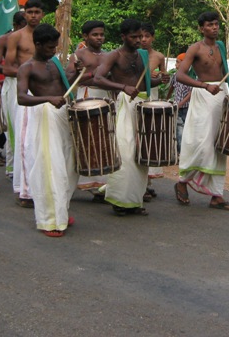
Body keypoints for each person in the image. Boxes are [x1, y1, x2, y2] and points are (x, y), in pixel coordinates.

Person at [174, 12, 229, 211]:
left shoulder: (220, 46)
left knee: (218, 145)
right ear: (201, 28)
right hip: (202, 97)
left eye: (216, 24)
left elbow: (223, 75)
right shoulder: (195, 48)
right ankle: (182, 181)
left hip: (219, 96)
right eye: (210, 25)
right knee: (202, 144)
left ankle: (216, 196)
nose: (214, 27)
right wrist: (204, 86)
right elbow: (180, 75)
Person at [17, 24, 80, 237]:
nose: (53, 51)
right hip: (44, 116)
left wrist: (75, 75)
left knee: (67, 167)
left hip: (62, 115)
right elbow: (21, 97)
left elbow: (62, 88)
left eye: (55, 47)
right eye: (49, 47)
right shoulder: (27, 67)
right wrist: (48, 99)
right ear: (37, 44)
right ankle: (50, 220)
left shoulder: (54, 63)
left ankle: (60, 212)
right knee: (49, 169)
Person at [92, 19, 150, 216]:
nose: (138, 40)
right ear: (123, 37)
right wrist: (122, 88)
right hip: (123, 106)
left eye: (140, 36)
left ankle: (134, 201)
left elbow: (144, 82)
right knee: (125, 154)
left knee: (140, 155)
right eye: (134, 37)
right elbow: (98, 78)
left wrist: (159, 80)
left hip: (142, 106)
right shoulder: (113, 55)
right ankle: (119, 200)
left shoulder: (143, 55)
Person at [3, 0, 45, 207]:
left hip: (46, 91)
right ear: (25, 14)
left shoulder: (48, 34)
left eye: (37, 12)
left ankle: (41, 186)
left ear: (43, 14)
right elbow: (7, 67)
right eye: (30, 12)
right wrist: (28, 74)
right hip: (25, 91)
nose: (34, 15)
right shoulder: (16, 37)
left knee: (43, 139)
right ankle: (24, 189)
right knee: (24, 139)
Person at [68, 20, 111, 200]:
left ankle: (103, 185)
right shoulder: (77, 56)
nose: (99, 38)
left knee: (104, 140)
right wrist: (83, 74)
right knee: (87, 140)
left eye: (101, 34)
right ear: (85, 36)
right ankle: (84, 182)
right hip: (86, 97)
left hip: (106, 98)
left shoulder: (109, 56)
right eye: (95, 34)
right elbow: (68, 79)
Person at [0, 11, 27, 178]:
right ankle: (14, 167)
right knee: (14, 126)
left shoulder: (37, 37)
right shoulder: (4, 40)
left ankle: (27, 166)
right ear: (17, 25)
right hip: (12, 85)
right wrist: (21, 71)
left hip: (32, 84)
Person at [140, 22, 171, 199]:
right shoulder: (135, 55)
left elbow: (164, 76)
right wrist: (146, 76)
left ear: (152, 38)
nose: (144, 40)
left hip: (153, 94)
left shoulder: (159, 56)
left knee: (151, 135)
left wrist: (161, 76)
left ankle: (147, 182)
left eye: (147, 36)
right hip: (138, 93)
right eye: (141, 36)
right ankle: (140, 184)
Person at [166, 51, 191, 155]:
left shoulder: (190, 76)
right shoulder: (175, 75)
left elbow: (191, 93)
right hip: (177, 106)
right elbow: (171, 88)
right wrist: (166, 100)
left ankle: (183, 152)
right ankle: (180, 152)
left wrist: (181, 103)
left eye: (177, 62)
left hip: (186, 108)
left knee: (185, 130)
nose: (175, 64)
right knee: (178, 130)